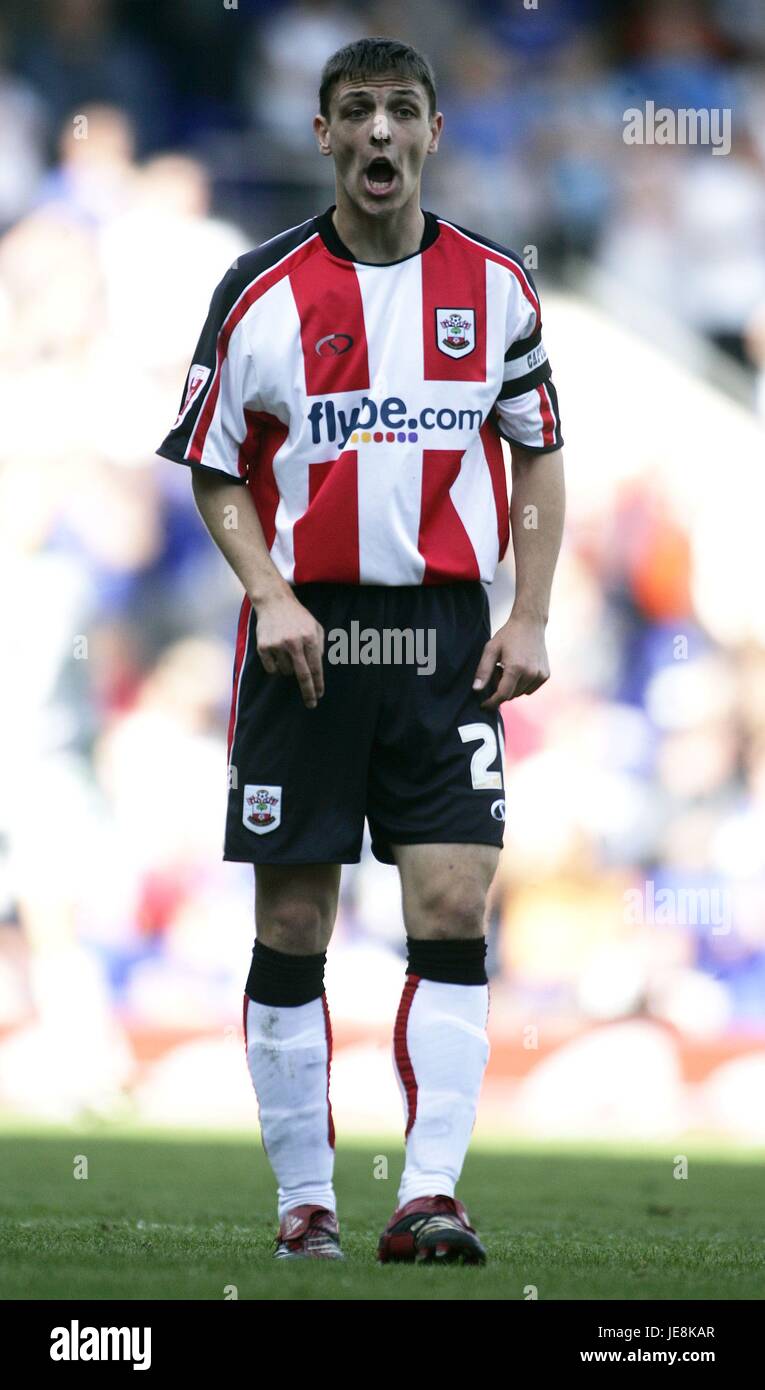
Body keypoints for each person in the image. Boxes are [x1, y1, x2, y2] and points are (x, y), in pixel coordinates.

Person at [156, 36, 565, 1264]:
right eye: (355, 114)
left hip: (443, 636)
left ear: (433, 129)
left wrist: (532, 609)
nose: (379, 134)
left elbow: (537, 448)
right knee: (294, 922)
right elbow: (214, 468)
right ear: (324, 133)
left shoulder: (497, 289)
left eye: (400, 111)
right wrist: (269, 592)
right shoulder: (259, 286)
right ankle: (305, 1204)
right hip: (307, 642)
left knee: (452, 899)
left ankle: (429, 1192)